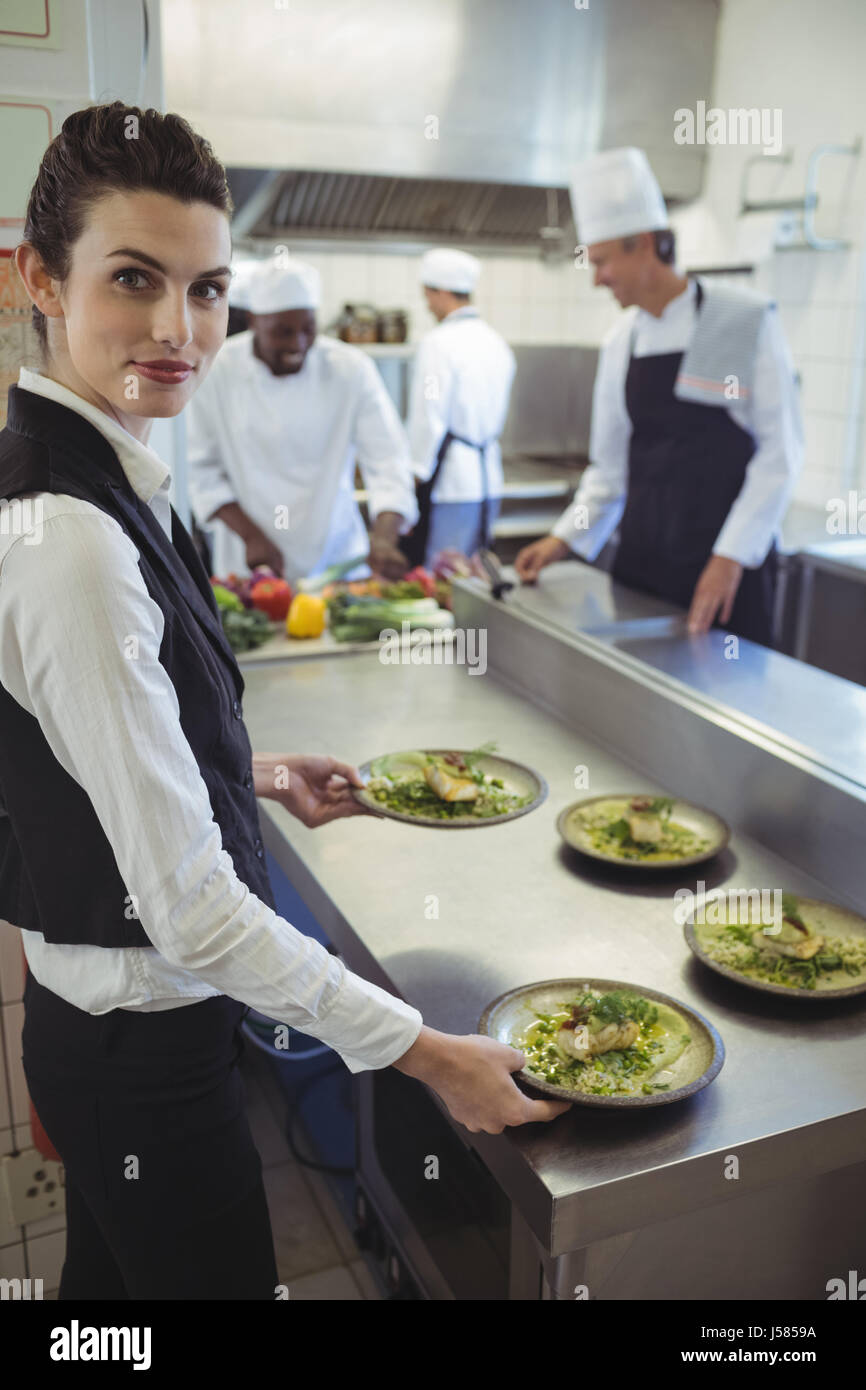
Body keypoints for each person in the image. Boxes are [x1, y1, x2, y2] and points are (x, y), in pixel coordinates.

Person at [1, 102, 568, 1302]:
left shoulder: (103, 475)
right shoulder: (71, 537)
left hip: (103, 1046)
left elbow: (93, 746)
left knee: (103, 1311)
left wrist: (251, 773)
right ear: (39, 280)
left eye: (206, 290)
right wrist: (428, 1057)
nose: (176, 328)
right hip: (141, 1056)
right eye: (134, 279)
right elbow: (195, 912)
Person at [515, 147, 803, 646]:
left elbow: (780, 455)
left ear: (643, 245)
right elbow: (608, 475)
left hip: (723, 573)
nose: (597, 277)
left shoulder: (739, 320)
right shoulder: (621, 340)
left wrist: (730, 557)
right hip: (643, 568)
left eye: (602, 261)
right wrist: (563, 538)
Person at [185, 256, 417, 583]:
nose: (298, 344)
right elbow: (201, 469)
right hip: (252, 567)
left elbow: (388, 461)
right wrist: (252, 536)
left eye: (309, 329)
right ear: (254, 320)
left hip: (339, 563)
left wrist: (383, 538)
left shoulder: (351, 369)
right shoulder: (217, 371)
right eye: (283, 332)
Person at [404, 247, 516, 568]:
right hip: (488, 480)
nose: (427, 305)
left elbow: (429, 416)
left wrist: (411, 477)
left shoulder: (438, 343)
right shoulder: (496, 342)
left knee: (440, 580)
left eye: (427, 295)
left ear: (439, 292)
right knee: (473, 580)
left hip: (450, 484)